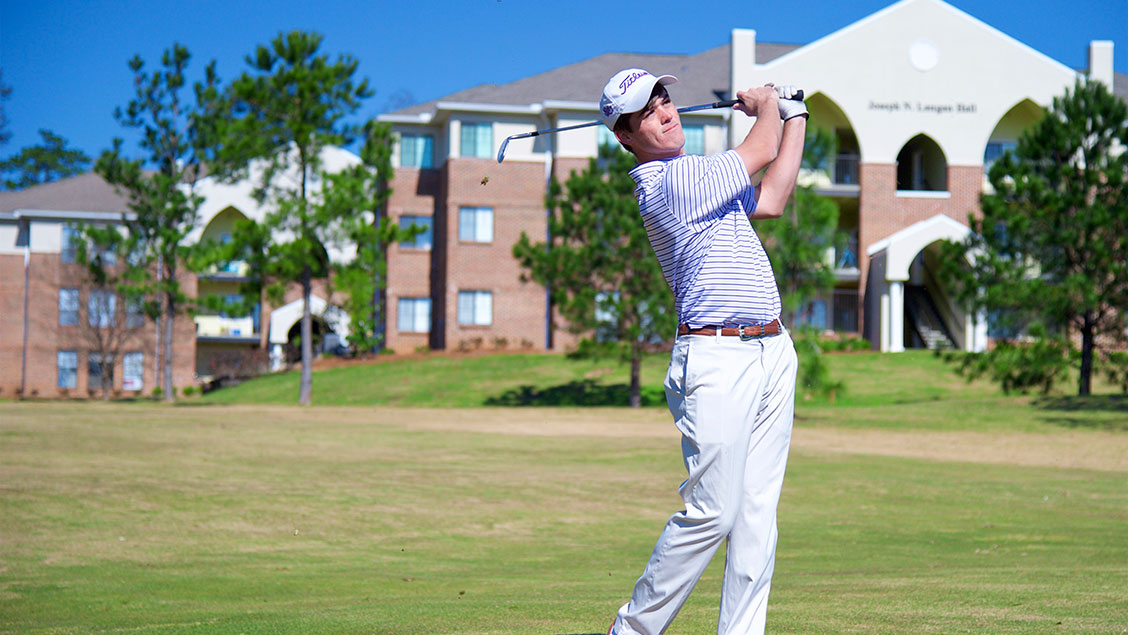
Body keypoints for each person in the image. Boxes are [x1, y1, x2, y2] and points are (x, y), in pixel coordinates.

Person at [600, 68, 808, 635]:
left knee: (756, 515)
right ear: (625, 136)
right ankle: (631, 630)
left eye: (664, 100)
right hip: (717, 358)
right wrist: (767, 105)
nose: (665, 113)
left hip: (771, 348)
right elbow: (760, 149)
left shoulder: (702, 178)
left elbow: (772, 198)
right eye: (646, 113)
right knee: (712, 512)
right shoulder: (670, 182)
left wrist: (795, 115)